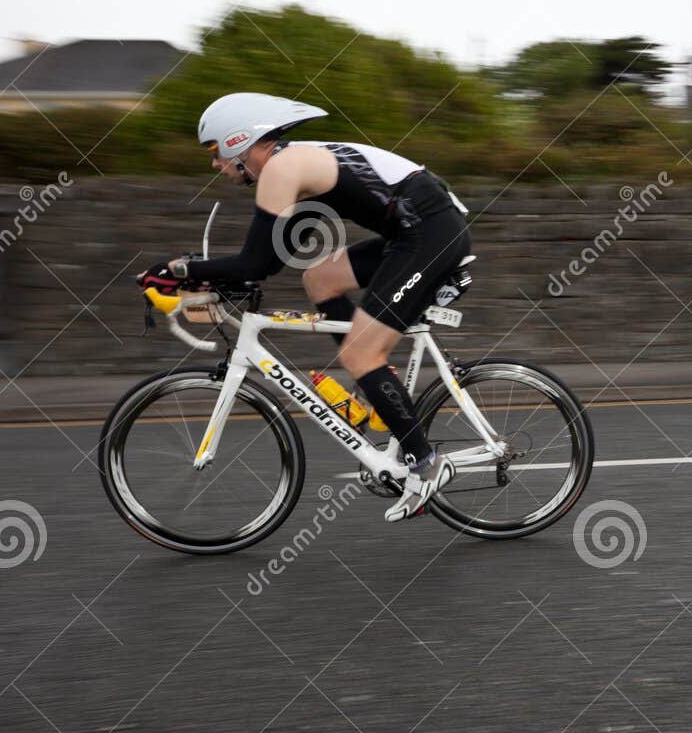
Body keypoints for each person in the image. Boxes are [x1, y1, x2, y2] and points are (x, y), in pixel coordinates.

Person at [139, 92, 473, 521]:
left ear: (241, 139)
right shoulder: (292, 165)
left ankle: (426, 465)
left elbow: (254, 262)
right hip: (414, 234)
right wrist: (202, 277)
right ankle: (374, 384)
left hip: (431, 236)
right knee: (319, 277)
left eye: (216, 151)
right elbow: (270, 262)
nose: (214, 163)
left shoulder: (282, 167)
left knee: (360, 351)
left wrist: (179, 269)